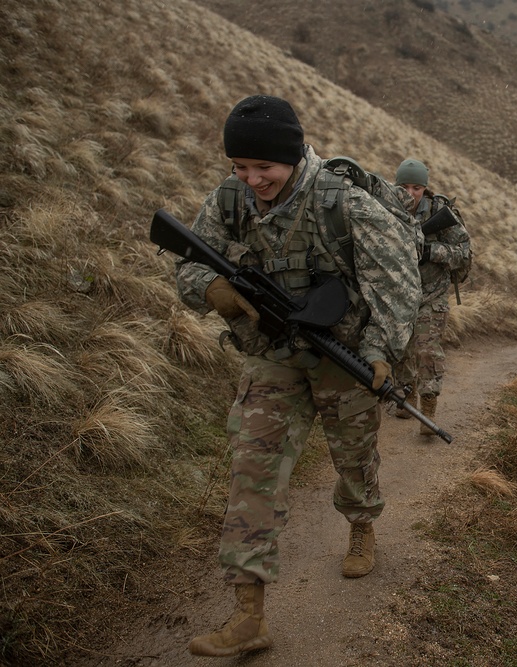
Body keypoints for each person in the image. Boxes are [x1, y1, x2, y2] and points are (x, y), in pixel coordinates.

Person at [175, 95, 420, 657]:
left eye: (265, 167)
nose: (252, 178)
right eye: (241, 167)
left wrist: (381, 350)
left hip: (342, 353)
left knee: (354, 454)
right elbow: (188, 260)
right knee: (252, 469)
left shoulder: (345, 203)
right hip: (275, 357)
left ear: (292, 156)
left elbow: (397, 281)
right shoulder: (230, 198)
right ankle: (247, 613)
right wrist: (213, 291)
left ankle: (361, 520)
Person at [391, 158, 472, 435]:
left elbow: (464, 253)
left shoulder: (440, 212)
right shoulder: (387, 209)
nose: (410, 193)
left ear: (425, 189)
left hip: (432, 296)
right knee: (400, 351)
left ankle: (428, 406)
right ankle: (405, 397)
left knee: (426, 351)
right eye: (404, 186)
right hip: (399, 296)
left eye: (417, 187)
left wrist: (431, 252)